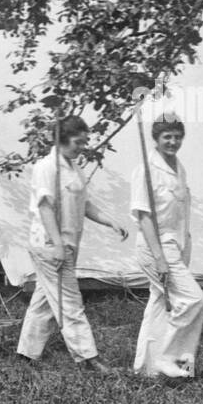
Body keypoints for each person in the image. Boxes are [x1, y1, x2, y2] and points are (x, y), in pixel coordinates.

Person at [17, 115, 129, 372]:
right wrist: (56, 245)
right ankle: (89, 359)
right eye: (78, 142)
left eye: (85, 141)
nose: (83, 147)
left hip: (67, 243)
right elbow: (44, 207)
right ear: (62, 140)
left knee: (45, 299)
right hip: (49, 244)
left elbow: (84, 204)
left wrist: (110, 221)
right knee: (70, 303)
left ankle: (25, 355)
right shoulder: (47, 167)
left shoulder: (73, 165)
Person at [130, 113, 203, 379]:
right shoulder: (146, 170)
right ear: (156, 139)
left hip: (176, 245)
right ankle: (169, 360)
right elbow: (144, 216)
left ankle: (145, 368)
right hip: (155, 247)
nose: (172, 142)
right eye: (167, 137)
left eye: (177, 136)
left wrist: (187, 243)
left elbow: (181, 210)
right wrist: (160, 258)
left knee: (159, 305)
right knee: (194, 300)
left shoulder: (178, 167)